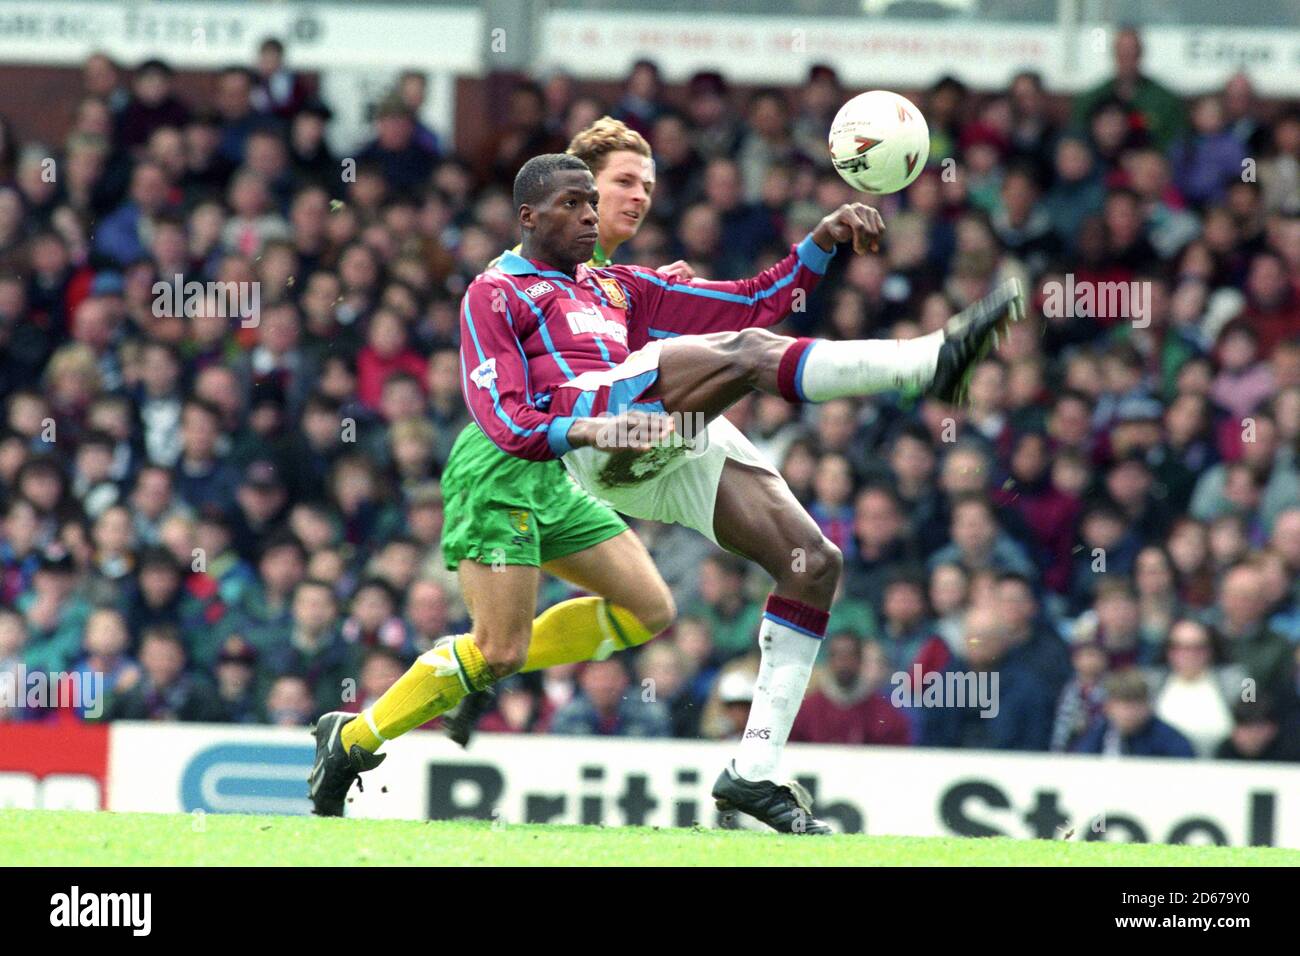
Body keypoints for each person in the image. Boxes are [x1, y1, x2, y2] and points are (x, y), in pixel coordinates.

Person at [310, 149, 1020, 833]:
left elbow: (758, 299)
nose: (594, 216)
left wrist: (822, 241)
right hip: (597, 434)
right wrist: (591, 433)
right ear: (527, 216)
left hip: (661, 437)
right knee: (744, 355)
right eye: (577, 202)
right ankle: (928, 362)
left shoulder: (615, 285)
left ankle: (754, 773)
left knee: (808, 563)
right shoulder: (498, 293)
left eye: (600, 201)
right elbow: (503, 419)